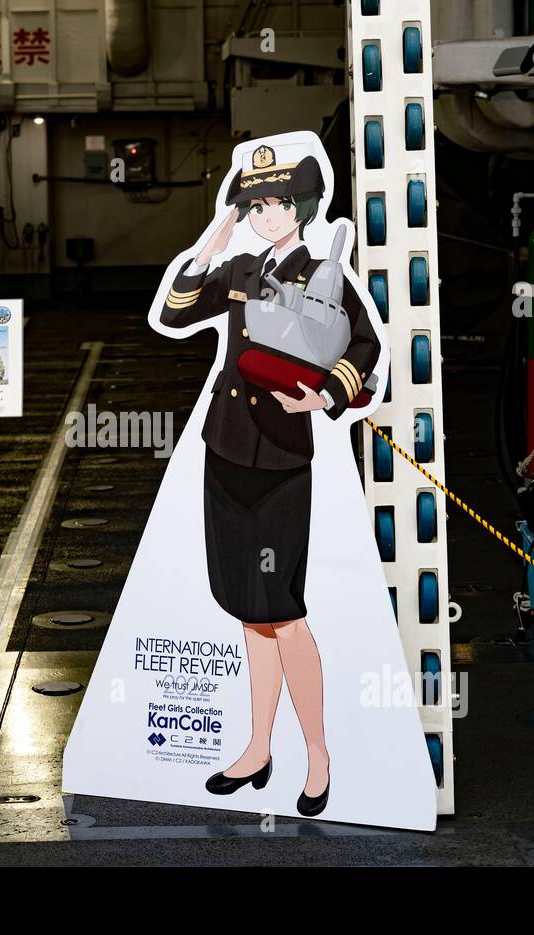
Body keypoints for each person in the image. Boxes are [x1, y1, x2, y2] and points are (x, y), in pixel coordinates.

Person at [156, 144, 383, 817]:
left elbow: (363, 348)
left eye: (277, 204)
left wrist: (326, 398)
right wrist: (210, 242)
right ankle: (259, 747)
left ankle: (318, 756)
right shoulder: (238, 267)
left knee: (283, 613)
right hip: (225, 449)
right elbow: (174, 315)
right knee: (249, 614)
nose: (265, 214)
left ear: (303, 208)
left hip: (283, 457)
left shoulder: (324, 270)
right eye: (255, 205)